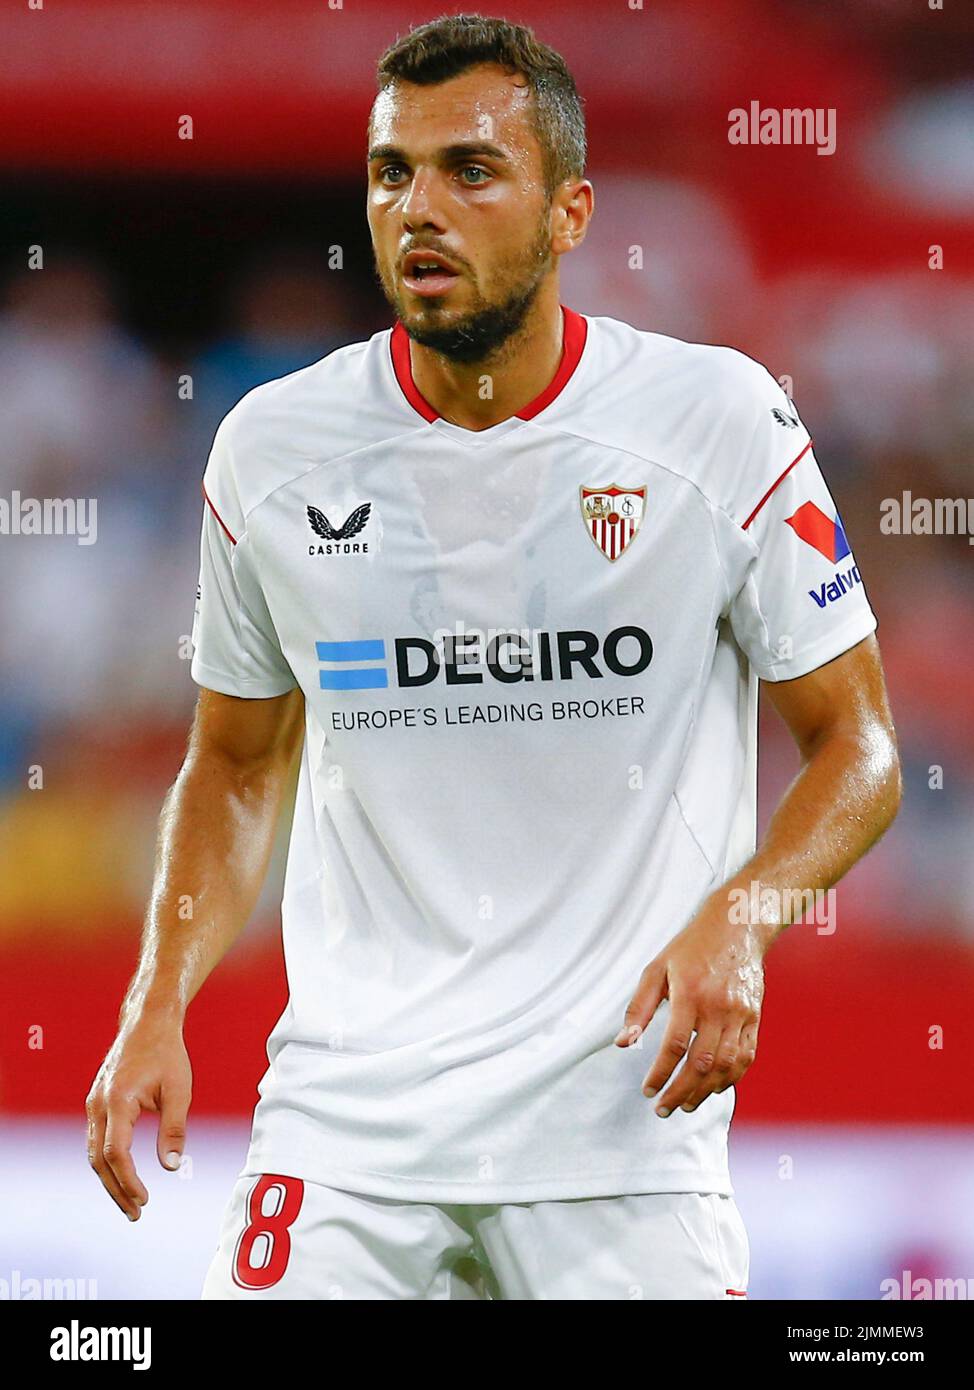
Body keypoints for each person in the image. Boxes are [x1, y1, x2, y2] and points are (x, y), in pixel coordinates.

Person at [86, 14, 901, 1300]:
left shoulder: (719, 423)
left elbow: (858, 747)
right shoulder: (271, 450)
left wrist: (741, 920)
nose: (418, 208)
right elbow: (235, 765)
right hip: (347, 1131)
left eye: (467, 171)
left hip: (618, 1137)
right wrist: (156, 1000)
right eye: (389, 171)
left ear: (570, 212)